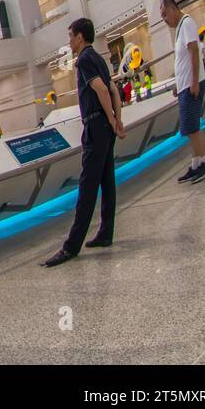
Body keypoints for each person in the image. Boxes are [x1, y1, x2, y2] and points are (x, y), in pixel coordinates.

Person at [43, 17, 125, 268]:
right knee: (107, 182)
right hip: (105, 127)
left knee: (87, 187)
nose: (70, 41)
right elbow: (113, 91)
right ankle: (105, 233)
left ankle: (71, 247)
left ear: (80, 37)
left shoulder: (85, 60)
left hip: (96, 127)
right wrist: (116, 120)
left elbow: (101, 90)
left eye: (71, 36)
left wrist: (111, 121)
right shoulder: (99, 58)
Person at [162, 0, 205, 183]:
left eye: (165, 14)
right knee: (188, 128)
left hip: (192, 85)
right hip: (185, 86)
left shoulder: (187, 22)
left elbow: (194, 52)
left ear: (174, 9)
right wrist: (179, 83)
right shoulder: (181, 28)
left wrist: (194, 82)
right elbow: (182, 60)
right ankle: (196, 163)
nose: (164, 19)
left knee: (193, 127)